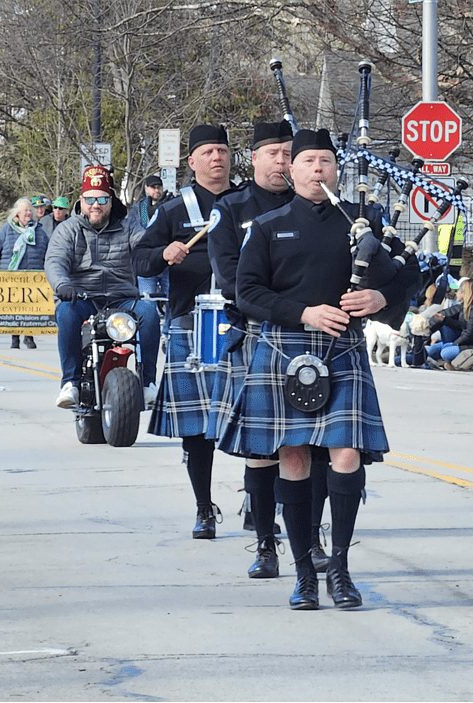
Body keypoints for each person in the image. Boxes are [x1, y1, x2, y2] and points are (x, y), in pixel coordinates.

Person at [222, 128, 403, 610]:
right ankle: (304, 572)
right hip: (285, 347)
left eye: (325, 160)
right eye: (308, 161)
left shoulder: (363, 225)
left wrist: (379, 297)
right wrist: (304, 313)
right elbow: (248, 293)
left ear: (335, 170)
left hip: (342, 349)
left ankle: (340, 569)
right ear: (292, 170)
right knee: (295, 458)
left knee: (346, 455)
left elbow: (404, 279)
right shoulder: (266, 227)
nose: (317, 169)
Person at [132, 124, 235, 541]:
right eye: (208, 152)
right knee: (197, 428)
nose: (217, 158)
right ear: (191, 161)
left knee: (257, 420)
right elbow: (140, 259)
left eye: (223, 151)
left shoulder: (250, 203)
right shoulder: (175, 209)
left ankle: (259, 501)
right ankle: (203, 507)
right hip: (190, 321)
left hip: (243, 319)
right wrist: (163, 252)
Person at [205, 120, 296, 578]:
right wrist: (289, 303)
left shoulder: (313, 207)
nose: (281, 162)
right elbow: (230, 278)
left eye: (288, 153)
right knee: (262, 447)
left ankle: (308, 537)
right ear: (255, 158)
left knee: (311, 447)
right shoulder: (231, 207)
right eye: (273, 153)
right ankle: (264, 544)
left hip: (308, 335)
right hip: (257, 333)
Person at [44, 165, 160, 408]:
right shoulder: (68, 229)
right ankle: (70, 383)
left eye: (102, 198)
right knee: (65, 313)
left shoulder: (129, 226)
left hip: (122, 299)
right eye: (90, 199)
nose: (95, 204)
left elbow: (145, 247)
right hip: (82, 298)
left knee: (149, 313)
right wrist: (63, 284)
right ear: (81, 201)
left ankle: (148, 383)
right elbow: (55, 260)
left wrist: (160, 254)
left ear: (111, 200)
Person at [0, 197, 49, 349]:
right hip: (11, 276)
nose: (28, 214)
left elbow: (48, 253)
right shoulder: (6, 229)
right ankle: (15, 337)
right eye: (25, 211)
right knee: (15, 307)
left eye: (30, 211)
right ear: (17, 213)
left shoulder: (39, 231)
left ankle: (29, 336)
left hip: (33, 277)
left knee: (31, 308)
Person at [427, 278, 473, 366]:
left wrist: (454, 344)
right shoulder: (465, 307)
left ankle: (445, 361)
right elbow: (462, 326)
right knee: (430, 350)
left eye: (459, 291)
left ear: (465, 293)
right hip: (465, 341)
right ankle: (411, 357)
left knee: (445, 352)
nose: (456, 293)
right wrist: (445, 320)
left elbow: (470, 334)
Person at [134, 175, 170, 301]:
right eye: (153, 187)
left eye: (159, 187)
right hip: (146, 263)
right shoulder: (139, 208)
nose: (156, 190)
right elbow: (136, 233)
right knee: (147, 301)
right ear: (146, 189)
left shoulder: (169, 204)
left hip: (167, 261)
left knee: (171, 301)